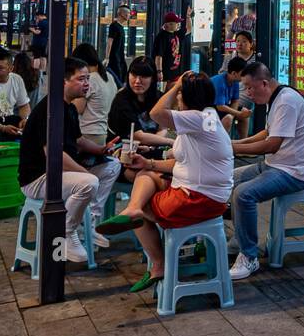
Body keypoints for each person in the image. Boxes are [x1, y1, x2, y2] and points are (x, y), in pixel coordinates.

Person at [96, 70, 232, 294]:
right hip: (195, 190)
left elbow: (156, 113)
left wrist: (177, 84)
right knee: (146, 176)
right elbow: (182, 163)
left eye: (179, 95)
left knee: (143, 206)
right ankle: (133, 210)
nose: (177, 98)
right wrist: (148, 163)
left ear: (187, 97)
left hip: (201, 199)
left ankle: (158, 264)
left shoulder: (200, 118)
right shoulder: (203, 118)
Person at [18, 56, 137, 263]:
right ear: (63, 80)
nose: (87, 84)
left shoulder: (70, 108)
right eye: (81, 79)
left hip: (59, 174)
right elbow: (54, 156)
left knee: (112, 167)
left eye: (87, 79)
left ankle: (88, 223)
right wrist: (84, 174)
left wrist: (102, 150)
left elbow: (79, 140)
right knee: (89, 182)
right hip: (38, 178)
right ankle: (67, 232)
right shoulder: (50, 110)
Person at [228, 62, 304, 279]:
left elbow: (272, 144)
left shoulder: (286, 101)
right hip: (275, 165)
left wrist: (232, 147)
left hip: (294, 172)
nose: (248, 93)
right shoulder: (278, 96)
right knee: (227, 180)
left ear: (264, 83)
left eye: (250, 87)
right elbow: (267, 132)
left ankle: (248, 256)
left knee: (244, 194)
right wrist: (234, 143)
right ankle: (240, 239)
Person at [107, 56, 173, 148]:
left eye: (144, 76)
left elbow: (162, 128)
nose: (137, 81)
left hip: (150, 153)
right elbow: (138, 136)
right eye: (134, 75)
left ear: (152, 78)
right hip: (122, 153)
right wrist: (170, 142)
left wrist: (151, 147)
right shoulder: (121, 100)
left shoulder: (160, 98)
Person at [71, 42, 117, 147]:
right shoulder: (109, 77)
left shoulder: (90, 79)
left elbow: (78, 108)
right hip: (102, 132)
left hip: (88, 133)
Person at [213, 56, 252, 136]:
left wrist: (234, 114)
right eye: (242, 74)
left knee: (243, 112)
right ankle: (223, 144)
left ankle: (243, 142)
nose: (245, 76)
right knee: (229, 119)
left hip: (222, 108)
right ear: (234, 73)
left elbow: (235, 100)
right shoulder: (219, 82)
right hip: (210, 109)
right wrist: (237, 114)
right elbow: (220, 106)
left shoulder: (235, 81)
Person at [151, 10, 188, 88]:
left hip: (175, 73)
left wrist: (188, 16)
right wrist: (159, 71)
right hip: (165, 74)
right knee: (162, 94)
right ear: (169, 24)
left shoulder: (175, 34)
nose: (178, 25)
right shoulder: (161, 37)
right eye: (176, 23)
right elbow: (159, 56)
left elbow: (189, 29)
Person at [105, 5, 130, 84]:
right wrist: (107, 57)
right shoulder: (114, 26)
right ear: (122, 14)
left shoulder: (121, 27)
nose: (129, 15)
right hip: (114, 58)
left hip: (120, 57)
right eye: (128, 13)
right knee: (117, 79)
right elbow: (110, 42)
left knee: (122, 77)